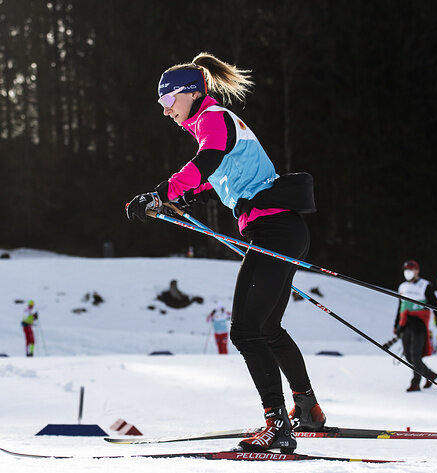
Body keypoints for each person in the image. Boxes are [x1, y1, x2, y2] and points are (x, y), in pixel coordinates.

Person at [125, 53, 323, 454]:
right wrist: (174, 200)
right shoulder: (211, 124)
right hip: (281, 230)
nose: (165, 111)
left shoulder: (214, 118)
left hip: (275, 230)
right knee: (266, 329)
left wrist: (160, 193)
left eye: (167, 101)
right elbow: (211, 177)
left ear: (190, 93)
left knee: (245, 331)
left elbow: (205, 163)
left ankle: (278, 424)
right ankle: (307, 408)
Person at [393, 260, 437, 392]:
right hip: (405, 324)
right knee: (408, 356)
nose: (407, 272)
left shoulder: (425, 286)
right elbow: (400, 306)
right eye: (406, 270)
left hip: (419, 324)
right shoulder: (402, 287)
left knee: (415, 353)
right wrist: (396, 324)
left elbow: (436, 305)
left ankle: (416, 382)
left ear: (417, 271)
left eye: (410, 269)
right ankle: (429, 374)